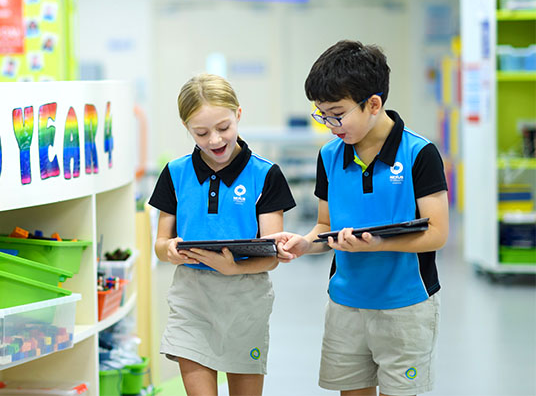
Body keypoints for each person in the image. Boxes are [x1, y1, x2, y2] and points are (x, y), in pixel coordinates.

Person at [269, 40, 449, 396]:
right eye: (321, 115)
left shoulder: (419, 153)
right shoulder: (329, 155)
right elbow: (325, 225)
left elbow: (438, 232)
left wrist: (380, 243)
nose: (329, 125)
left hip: (406, 305)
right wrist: (305, 243)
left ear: (373, 104)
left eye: (337, 114)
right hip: (346, 305)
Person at [149, 73, 296, 395]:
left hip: (245, 298)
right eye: (201, 133)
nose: (214, 140)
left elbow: (270, 255)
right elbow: (160, 244)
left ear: (238, 115)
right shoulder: (175, 173)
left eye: (224, 128)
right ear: (187, 128)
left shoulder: (265, 174)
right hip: (191, 297)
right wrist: (168, 249)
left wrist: (234, 267)